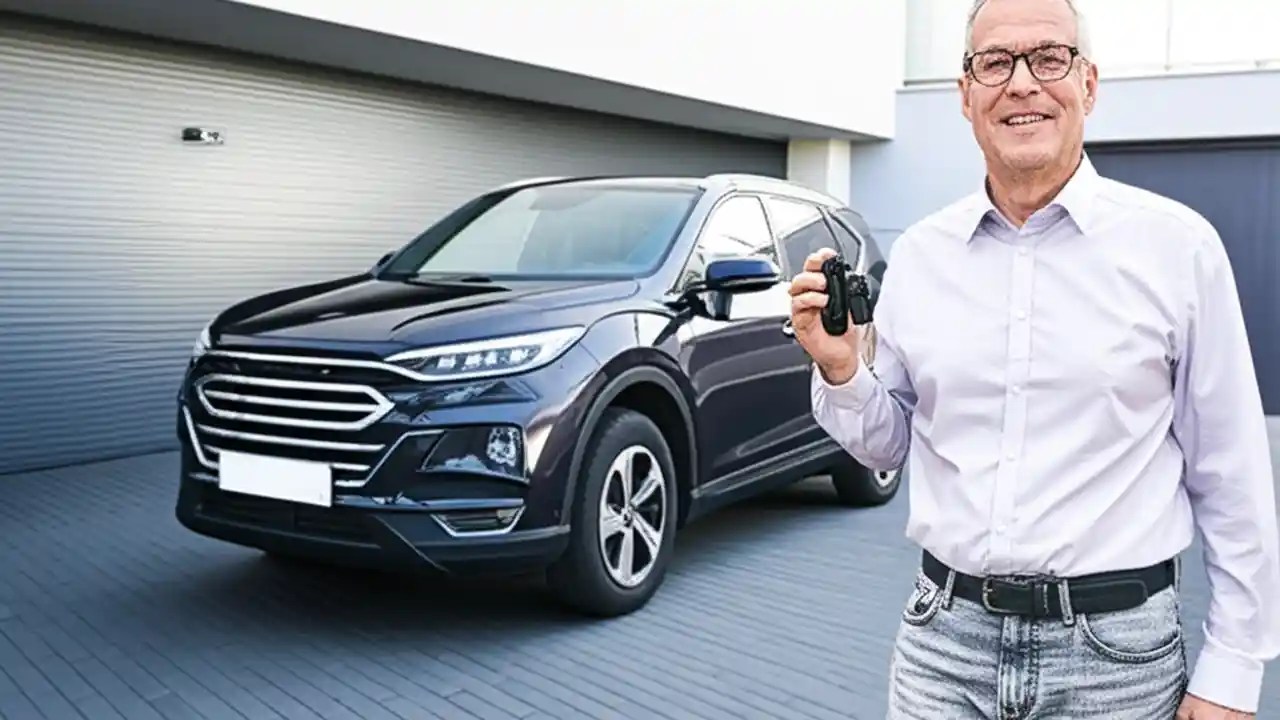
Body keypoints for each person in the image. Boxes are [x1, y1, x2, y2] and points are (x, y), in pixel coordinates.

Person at [788, 0, 1279, 717]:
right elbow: (889, 442)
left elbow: (1231, 473)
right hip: (942, 646)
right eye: (994, 62)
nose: (1022, 83)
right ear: (964, 95)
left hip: (1118, 661)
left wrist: (1232, 669)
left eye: (1048, 57)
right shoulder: (923, 256)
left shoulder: (1178, 248)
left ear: (1089, 84)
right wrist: (840, 368)